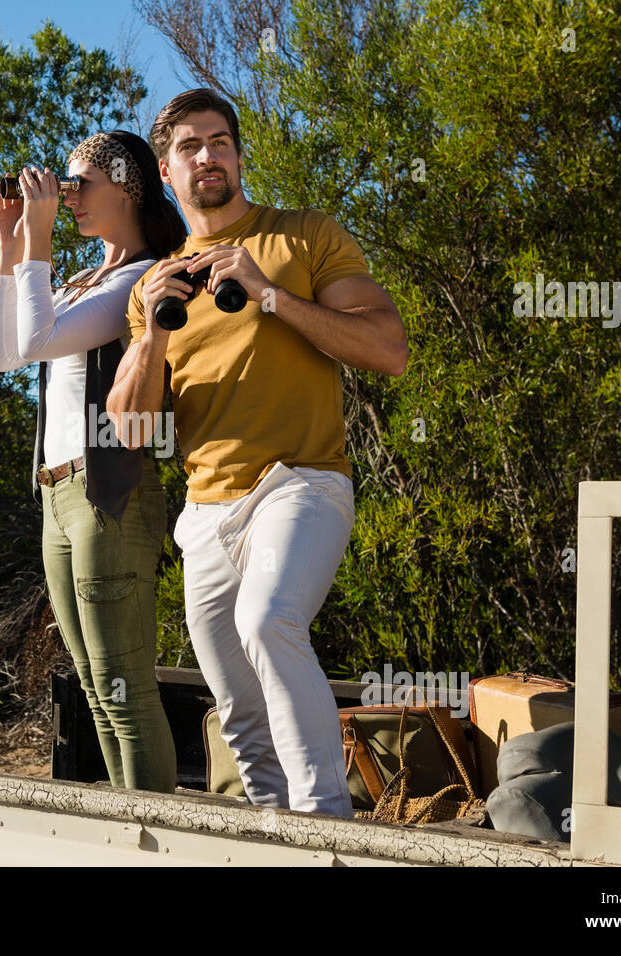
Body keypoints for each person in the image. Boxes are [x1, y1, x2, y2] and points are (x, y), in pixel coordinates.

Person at [107, 89, 409, 816]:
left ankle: (325, 824)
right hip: (206, 512)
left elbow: (387, 349)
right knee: (237, 703)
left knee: (268, 622)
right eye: (189, 147)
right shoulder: (156, 285)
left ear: (238, 155)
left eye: (219, 141)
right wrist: (153, 332)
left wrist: (269, 294)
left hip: (299, 484)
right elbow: (129, 429)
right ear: (168, 176)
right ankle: (276, 835)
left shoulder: (302, 237)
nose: (207, 156)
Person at [0, 131, 186, 792]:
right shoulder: (79, 282)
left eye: (79, 185)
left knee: (126, 693)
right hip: (56, 495)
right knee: (96, 692)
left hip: (110, 494)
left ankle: (160, 836)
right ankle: (130, 829)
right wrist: (11, 247)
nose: (67, 199)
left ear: (127, 186)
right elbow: (4, 355)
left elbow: (39, 338)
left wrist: (37, 244)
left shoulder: (141, 278)